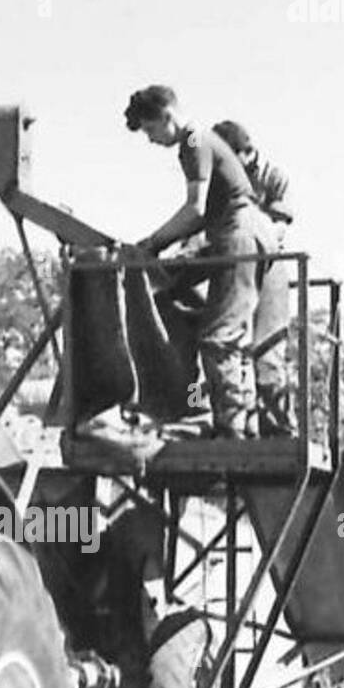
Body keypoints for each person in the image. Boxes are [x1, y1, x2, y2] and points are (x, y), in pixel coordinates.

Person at [124, 84, 267, 438]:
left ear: (168, 116)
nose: (151, 139)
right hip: (234, 235)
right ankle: (203, 405)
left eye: (151, 129)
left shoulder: (193, 141)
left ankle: (232, 430)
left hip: (238, 235)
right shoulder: (196, 143)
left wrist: (152, 244)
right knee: (182, 301)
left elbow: (195, 210)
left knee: (219, 338)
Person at [212, 119, 295, 435]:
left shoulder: (274, 177)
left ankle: (281, 432)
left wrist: (246, 229)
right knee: (228, 349)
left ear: (245, 153)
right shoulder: (220, 181)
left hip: (270, 266)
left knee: (268, 359)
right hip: (236, 265)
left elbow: (276, 230)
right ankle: (236, 427)